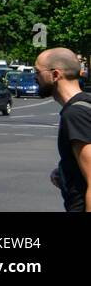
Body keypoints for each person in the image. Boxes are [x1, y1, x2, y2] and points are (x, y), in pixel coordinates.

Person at [36, 47, 91, 212]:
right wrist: (67, 173)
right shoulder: (86, 104)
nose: (34, 77)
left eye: (37, 72)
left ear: (55, 75)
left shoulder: (75, 114)